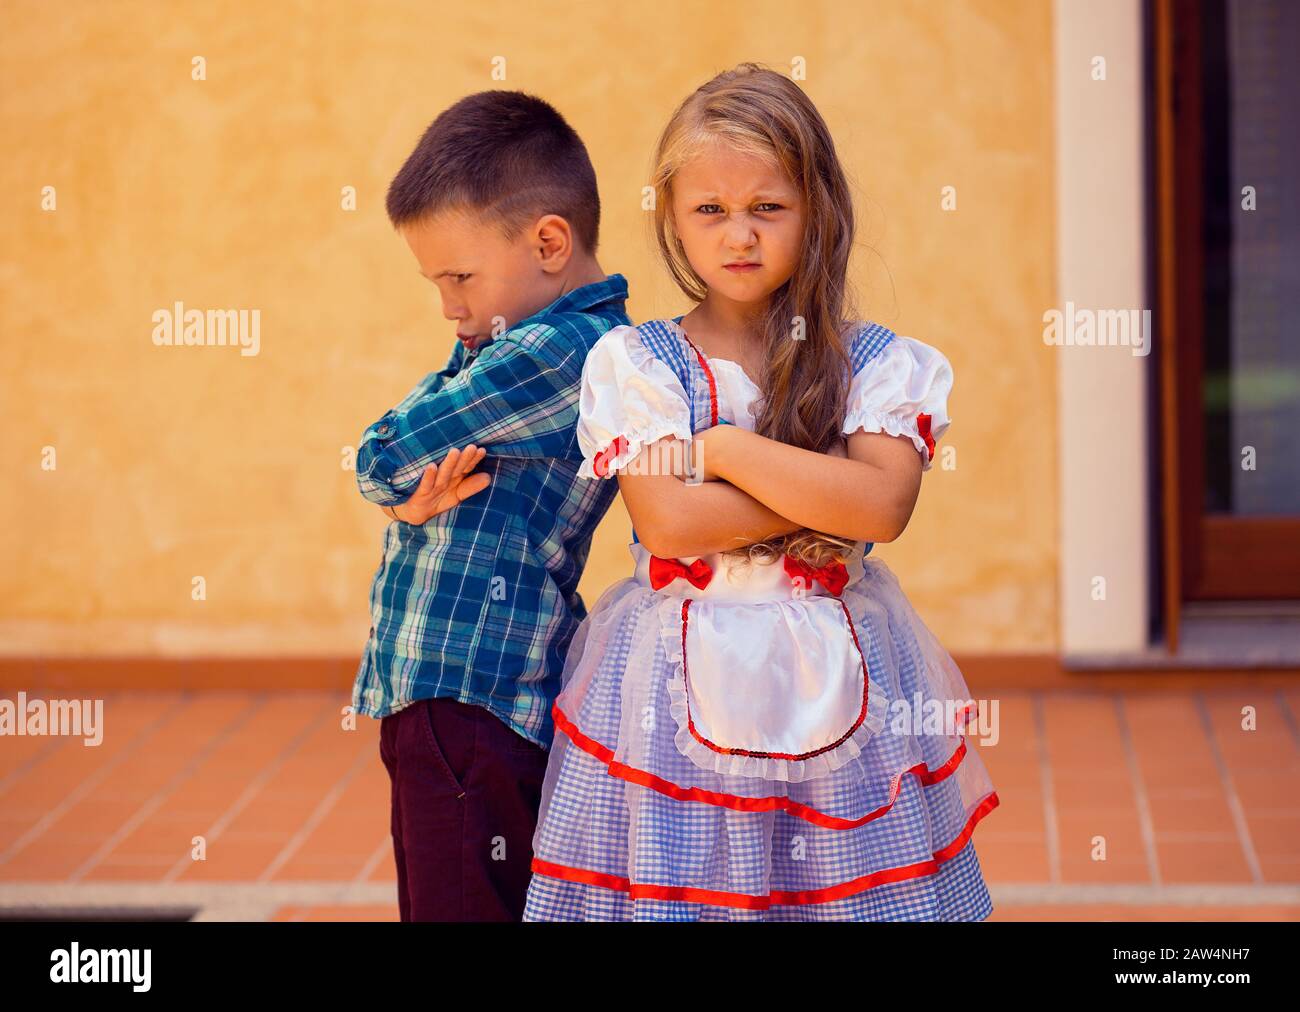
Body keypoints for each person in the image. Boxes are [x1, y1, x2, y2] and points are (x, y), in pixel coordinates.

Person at [523, 64, 999, 921]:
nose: (738, 234)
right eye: (710, 209)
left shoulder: (877, 363)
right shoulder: (636, 363)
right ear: (670, 215)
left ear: (816, 209)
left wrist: (729, 448)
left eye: (767, 208)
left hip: (848, 669)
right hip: (670, 684)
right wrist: (834, 492)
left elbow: (885, 510)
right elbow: (672, 522)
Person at [352, 90, 631, 921]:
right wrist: (403, 490)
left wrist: (395, 485)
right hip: (451, 698)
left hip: (469, 695)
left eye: (459, 276)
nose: (448, 305)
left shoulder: (561, 351)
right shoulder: (508, 342)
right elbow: (405, 463)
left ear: (550, 240)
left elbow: (383, 454)